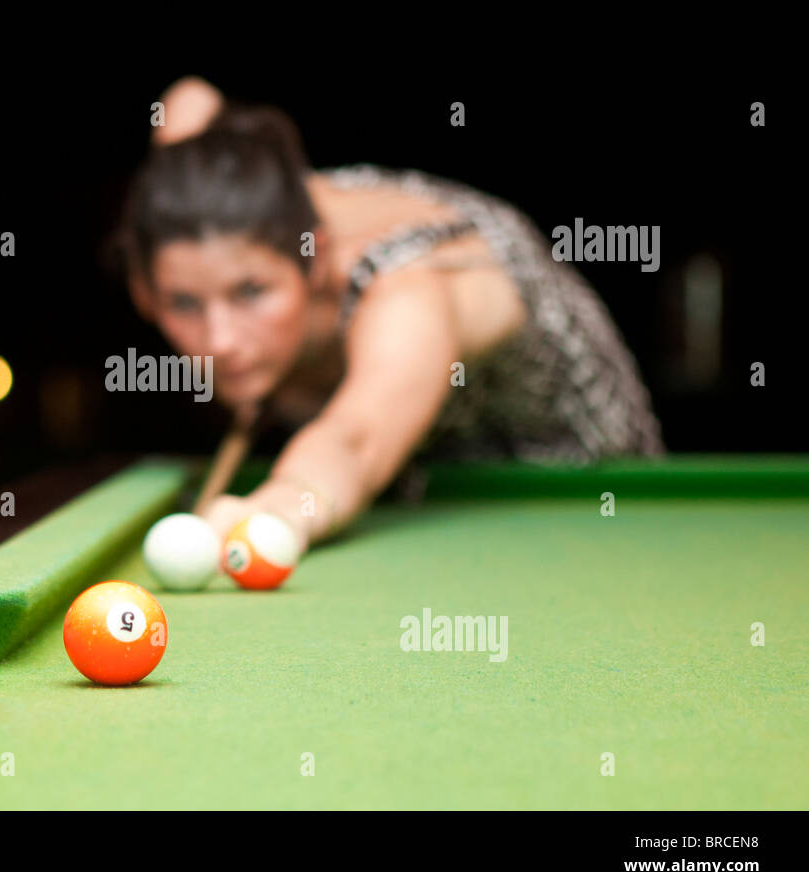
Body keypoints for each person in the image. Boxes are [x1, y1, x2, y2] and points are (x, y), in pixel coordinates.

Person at [113, 76, 663, 552]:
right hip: (413, 491)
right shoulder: (219, 203)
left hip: (582, 492)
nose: (222, 340)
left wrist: (279, 510)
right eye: (184, 302)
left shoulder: (408, 281)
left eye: (252, 292)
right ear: (144, 291)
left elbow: (357, 438)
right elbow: (191, 98)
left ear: (315, 257)